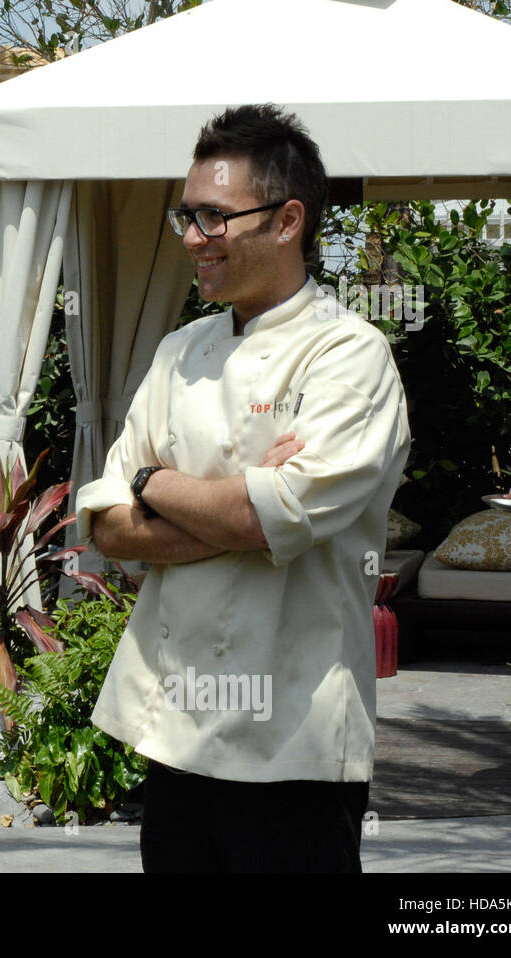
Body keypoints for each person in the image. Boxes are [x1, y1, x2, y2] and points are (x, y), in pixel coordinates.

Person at [74, 104, 412, 872]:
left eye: (214, 217)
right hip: (176, 730)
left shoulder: (349, 356)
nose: (193, 238)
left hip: (293, 742)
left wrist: (154, 479)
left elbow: (273, 516)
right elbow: (108, 529)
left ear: (289, 219)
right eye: (186, 216)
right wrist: (234, 502)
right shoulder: (178, 349)